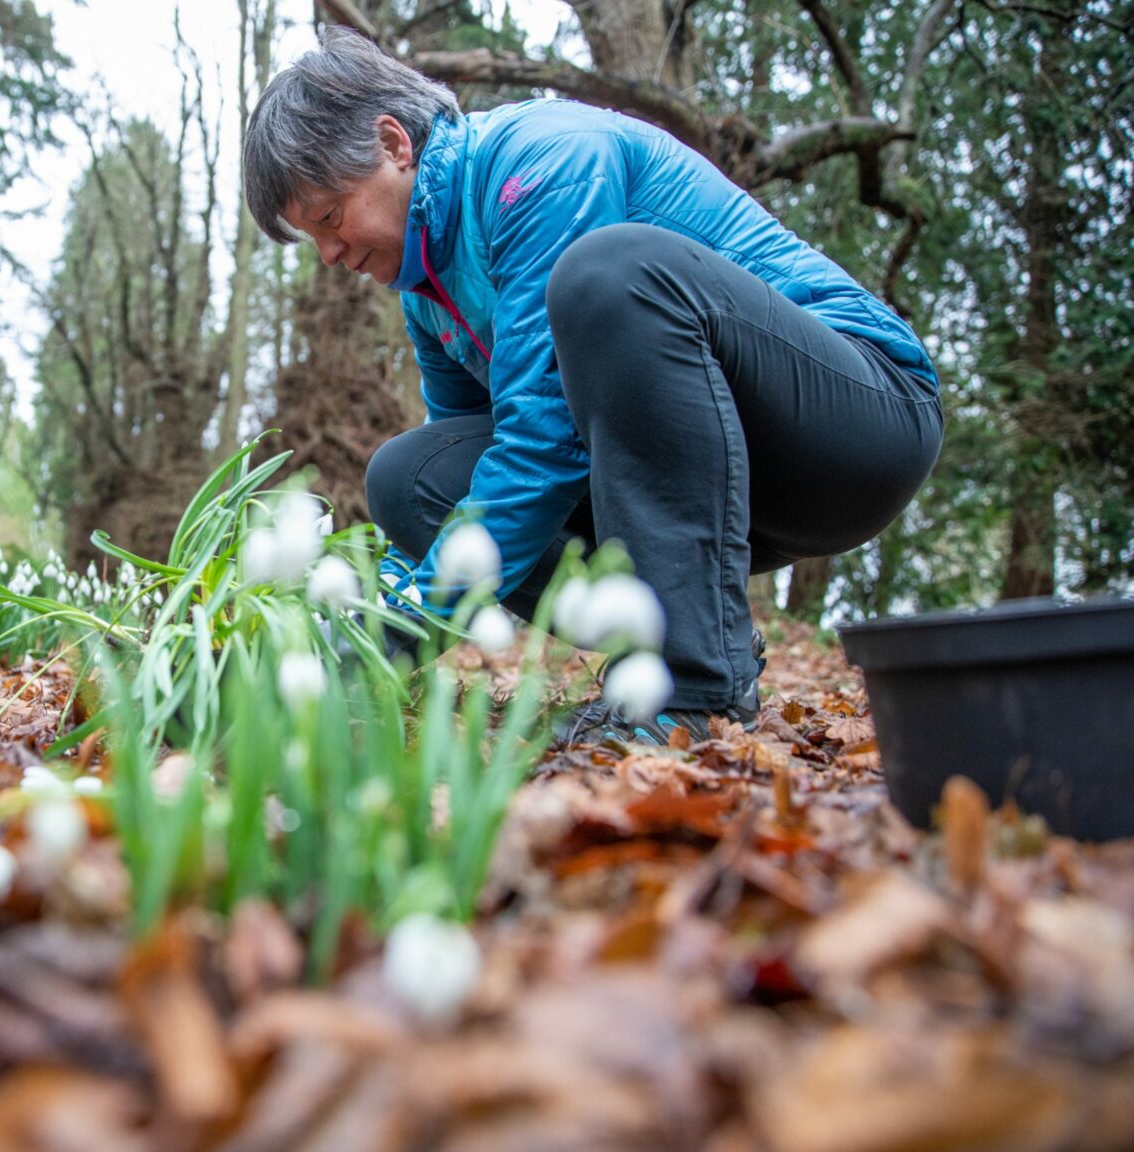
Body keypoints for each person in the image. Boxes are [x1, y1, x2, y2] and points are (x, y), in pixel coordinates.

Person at [243, 29, 944, 743]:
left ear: (395, 145)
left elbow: (539, 443)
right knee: (410, 476)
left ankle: (693, 686)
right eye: (312, 237)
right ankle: (688, 632)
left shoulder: (541, 160)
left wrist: (398, 629)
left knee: (608, 273)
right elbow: (470, 482)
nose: (330, 255)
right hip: (725, 485)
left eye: (330, 216)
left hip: (856, 421)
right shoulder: (428, 292)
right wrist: (349, 649)